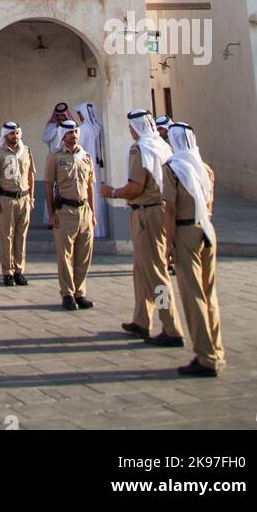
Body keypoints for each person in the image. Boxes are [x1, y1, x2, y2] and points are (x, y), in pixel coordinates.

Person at [101, 110, 184, 347]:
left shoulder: (139, 149)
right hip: (158, 209)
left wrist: (113, 192)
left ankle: (171, 326)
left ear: (135, 127)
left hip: (147, 213)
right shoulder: (161, 146)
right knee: (141, 269)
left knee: (156, 273)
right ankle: (141, 320)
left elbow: (136, 186)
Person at [164, 122, 225, 377]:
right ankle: (217, 350)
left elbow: (169, 208)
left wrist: (169, 242)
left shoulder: (174, 168)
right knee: (209, 294)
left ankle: (205, 355)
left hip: (186, 231)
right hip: (207, 230)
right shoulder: (204, 168)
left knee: (193, 295)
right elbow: (209, 202)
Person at [44, 119, 96, 310]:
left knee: (83, 255)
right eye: (69, 133)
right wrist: (51, 213)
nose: (73, 135)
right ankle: (67, 293)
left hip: (84, 211)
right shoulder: (55, 157)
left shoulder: (86, 156)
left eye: (75, 132)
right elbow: (49, 186)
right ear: (62, 136)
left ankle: (79, 292)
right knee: (65, 255)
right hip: (65, 211)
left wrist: (93, 213)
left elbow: (90, 187)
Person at [0, 121, 35, 286]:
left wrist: (31, 197)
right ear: (4, 135)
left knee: (21, 236)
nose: (14, 136)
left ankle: (19, 270)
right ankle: (7, 271)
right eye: (10, 134)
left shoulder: (26, 151)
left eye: (16, 133)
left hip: (23, 198)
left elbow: (30, 175)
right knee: (6, 236)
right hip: (6, 199)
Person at [40, 102, 76, 227]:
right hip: (54, 160)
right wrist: (56, 129)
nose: (60, 117)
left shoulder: (71, 128)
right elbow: (45, 138)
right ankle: (50, 218)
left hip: (68, 162)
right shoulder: (51, 126)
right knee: (51, 189)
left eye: (62, 115)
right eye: (58, 115)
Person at [76, 101, 109, 237]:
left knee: (90, 195)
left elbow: (79, 148)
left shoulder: (83, 129)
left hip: (87, 167)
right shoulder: (98, 128)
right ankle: (100, 229)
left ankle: (93, 230)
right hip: (97, 167)